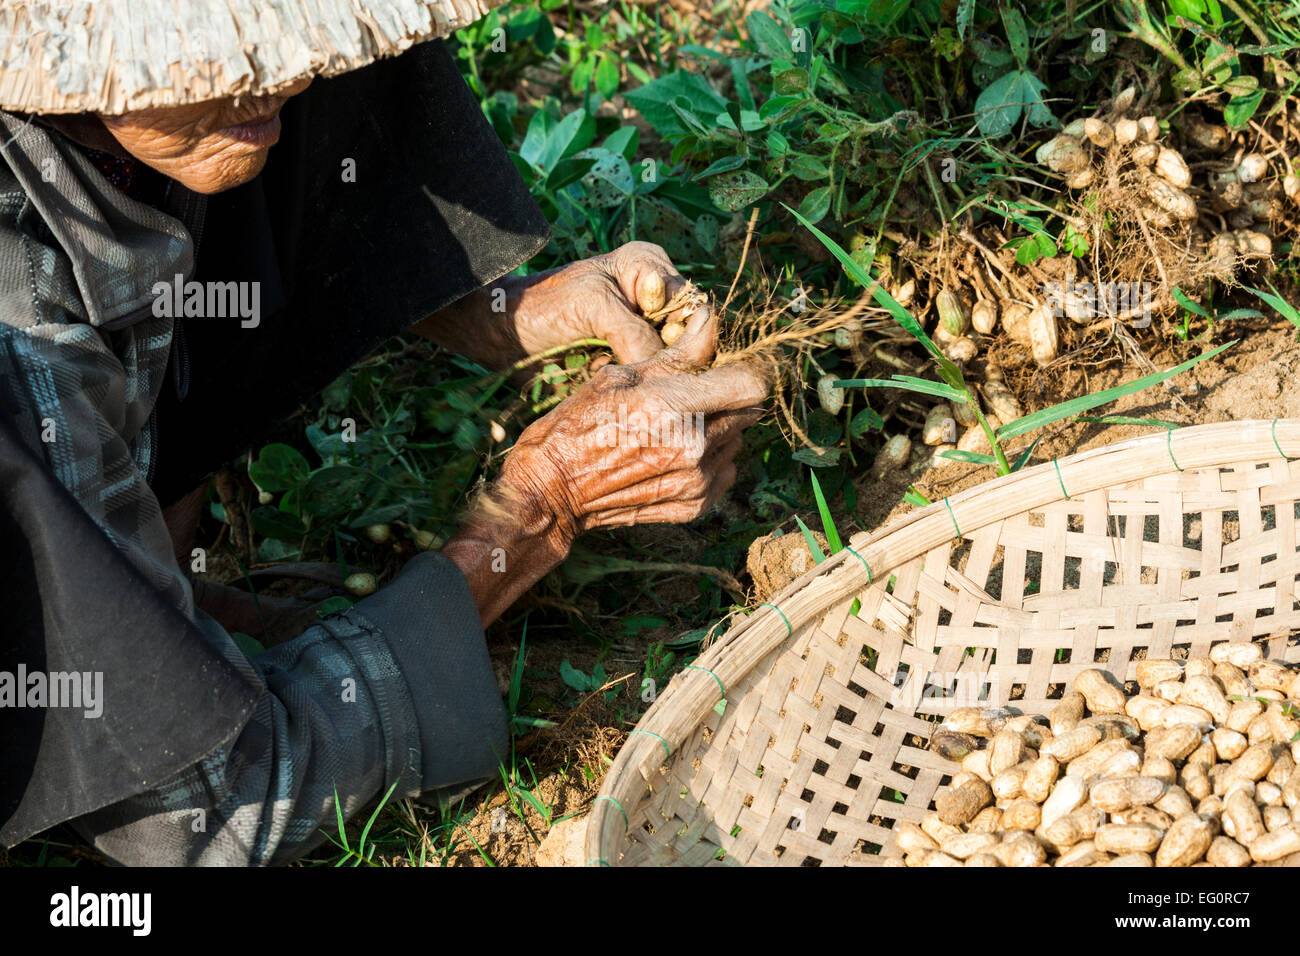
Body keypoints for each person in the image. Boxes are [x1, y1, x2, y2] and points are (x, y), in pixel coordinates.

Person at [0, 1, 765, 864]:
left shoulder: (194, 115)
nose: (281, 81)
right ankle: (135, 628)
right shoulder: (17, 341)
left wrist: (508, 309)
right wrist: (541, 506)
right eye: (221, 61)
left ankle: (166, 590)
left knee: (262, 108)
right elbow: (206, 819)